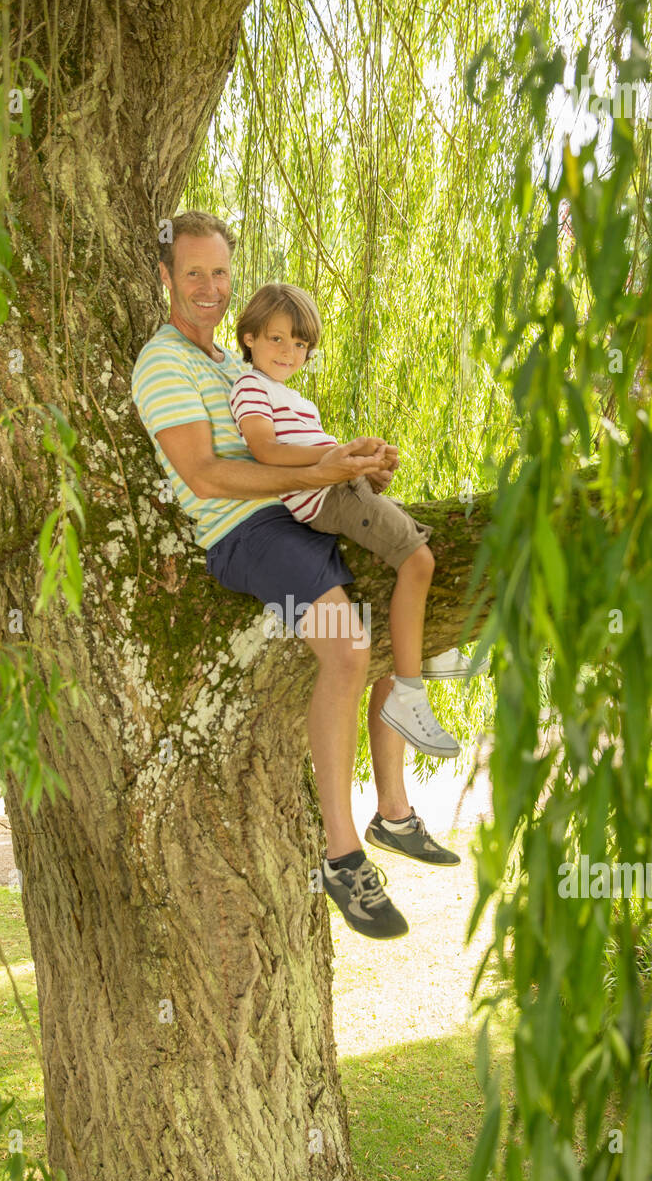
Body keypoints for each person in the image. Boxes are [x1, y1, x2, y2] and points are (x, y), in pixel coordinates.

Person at [131, 211, 469, 942]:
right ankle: (342, 858)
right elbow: (207, 474)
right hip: (246, 535)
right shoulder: (162, 364)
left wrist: (351, 464)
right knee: (346, 648)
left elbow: (286, 443)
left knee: (394, 609)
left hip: (296, 516)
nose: (210, 287)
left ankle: (396, 813)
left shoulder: (231, 364)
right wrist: (323, 469)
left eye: (220, 272)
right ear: (165, 278)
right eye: (193, 273)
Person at [229, 281, 460, 760]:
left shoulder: (298, 402)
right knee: (418, 561)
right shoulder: (250, 387)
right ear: (249, 336)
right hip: (322, 499)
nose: (289, 352)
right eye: (277, 338)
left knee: (419, 540)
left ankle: (429, 653)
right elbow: (265, 450)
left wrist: (368, 466)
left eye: (300, 344)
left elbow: (326, 458)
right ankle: (408, 693)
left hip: (339, 489)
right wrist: (340, 457)